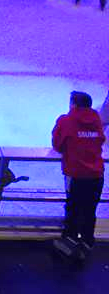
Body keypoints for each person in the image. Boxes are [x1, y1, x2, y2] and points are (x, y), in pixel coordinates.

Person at [52, 91, 106, 258]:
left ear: (73, 104)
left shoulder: (66, 120)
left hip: (75, 173)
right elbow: (101, 140)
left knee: (73, 208)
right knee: (90, 209)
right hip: (97, 174)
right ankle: (87, 242)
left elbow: (58, 145)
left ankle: (70, 241)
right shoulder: (97, 120)